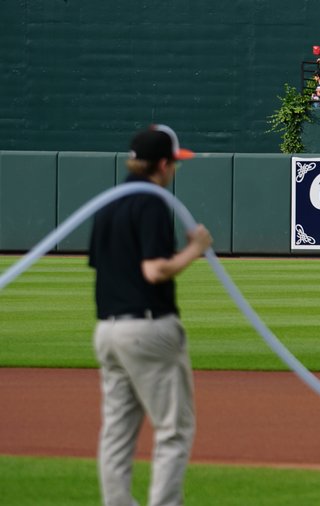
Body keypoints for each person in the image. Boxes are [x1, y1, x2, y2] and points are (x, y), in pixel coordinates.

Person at [90, 124, 212, 506]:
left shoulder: (109, 203)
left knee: (116, 433)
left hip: (107, 330)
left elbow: (103, 265)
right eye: (173, 163)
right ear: (162, 164)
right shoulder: (153, 202)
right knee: (173, 430)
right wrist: (196, 249)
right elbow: (155, 270)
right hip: (148, 326)